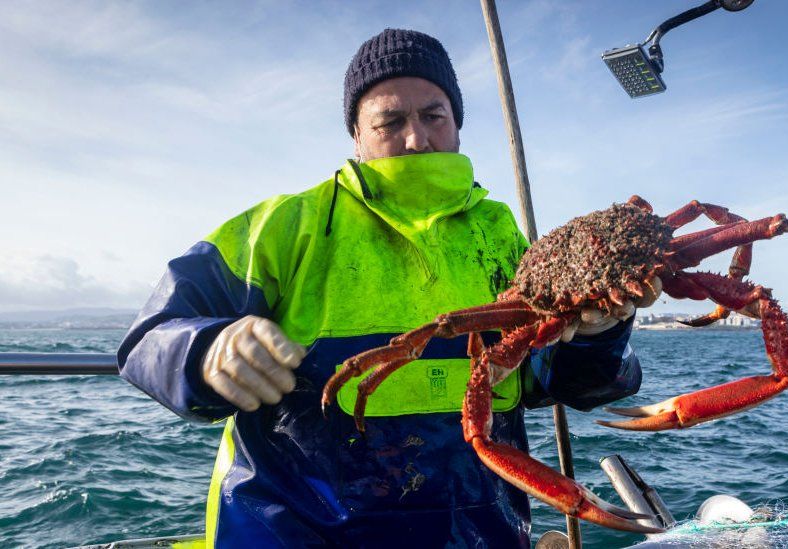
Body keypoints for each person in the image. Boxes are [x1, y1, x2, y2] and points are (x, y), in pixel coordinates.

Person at [119, 28, 653, 548]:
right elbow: (147, 337)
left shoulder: (504, 235)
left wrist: (598, 334)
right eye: (390, 121)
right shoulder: (285, 225)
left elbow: (548, 379)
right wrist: (204, 351)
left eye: (432, 116)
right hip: (292, 531)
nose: (416, 138)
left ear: (457, 126)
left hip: (478, 530)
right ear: (357, 133)